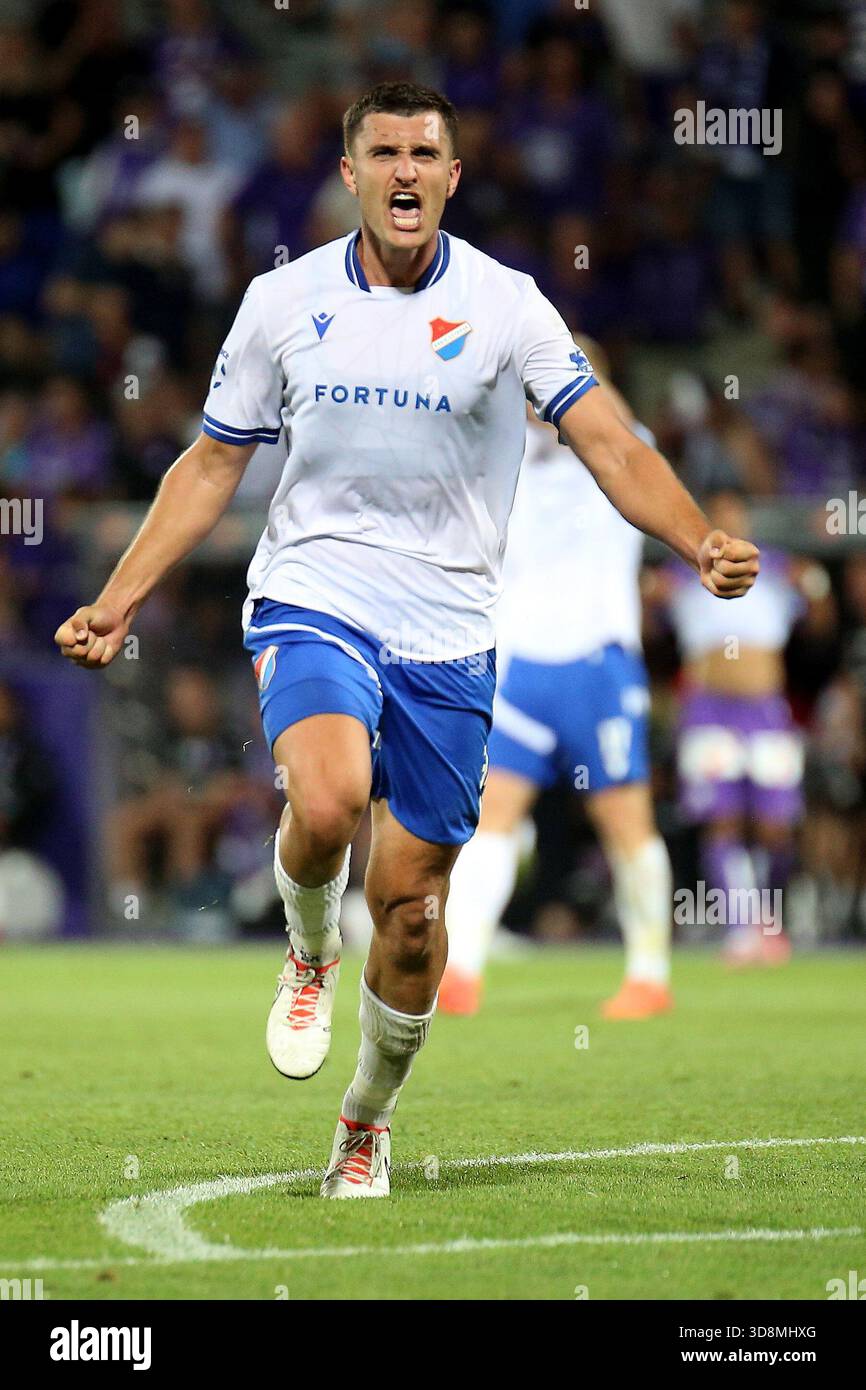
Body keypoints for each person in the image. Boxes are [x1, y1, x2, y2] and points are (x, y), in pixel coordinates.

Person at [55, 82, 759, 1200]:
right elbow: (212, 461)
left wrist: (694, 538)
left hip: (452, 633)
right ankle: (305, 951)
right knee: (326, 801)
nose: (402, 172)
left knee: (417, 914)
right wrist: (121, 595)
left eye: (423, 154)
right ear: (348, 172)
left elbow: (607, 443)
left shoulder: (509, 306)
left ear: (450, 175)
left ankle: (366, 1121)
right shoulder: (281, 303)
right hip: (313, 596)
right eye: (381, 151)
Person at [440, 341, 673, 1019]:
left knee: (624, 820)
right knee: (491, 820)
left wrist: (567, 362)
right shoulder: (509, 466)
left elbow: (619, 423)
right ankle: (463, 970)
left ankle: (649, 974)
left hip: (595, 665)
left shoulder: (624, 455)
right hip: (518, 670)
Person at [648, 489, 823, 963]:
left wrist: (815, 584)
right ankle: (741, 929)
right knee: (721, 822)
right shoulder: (685, 569)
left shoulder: (775, 568)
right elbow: (647, 610)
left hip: (766, 710)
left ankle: (769, 918)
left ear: (746, 517)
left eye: (733, 512)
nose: (726, 520)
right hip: (708, 709)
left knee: (776, 825)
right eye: (717, 513)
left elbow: (820, 617)